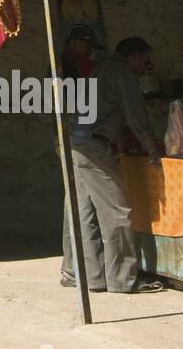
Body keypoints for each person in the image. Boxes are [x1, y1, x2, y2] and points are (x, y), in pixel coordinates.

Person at [60, 36, 165, 294]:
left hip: (75, 141)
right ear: (136, 56)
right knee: (118, 212)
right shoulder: (121, 71)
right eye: (146, 60)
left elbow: (108, 112)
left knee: (82, 213)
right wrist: (152, 148)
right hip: (92, 147)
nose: (146, 66)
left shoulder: (101, 69)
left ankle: (86, 276)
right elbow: (135, 113)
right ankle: (122, 279)